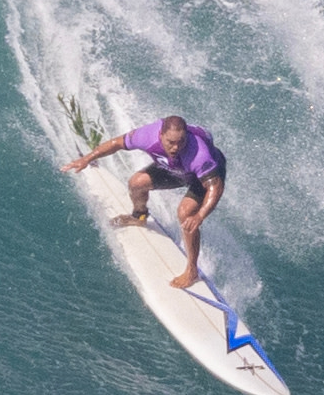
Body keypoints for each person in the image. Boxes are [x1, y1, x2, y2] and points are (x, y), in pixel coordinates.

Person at [65, 113, 229, 290]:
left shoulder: (199, 154)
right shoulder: (146, 136)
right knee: (136, 183)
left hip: (205, 176)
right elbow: (115, 144)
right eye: (170, 142)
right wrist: (87, 158)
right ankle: (139, 216)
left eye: (180, 142)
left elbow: (215, 188)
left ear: (186, 137)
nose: (175, 147)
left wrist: (200, 215)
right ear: (160, 135)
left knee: (185, 213)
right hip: (175, 170)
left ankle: (192, 270)